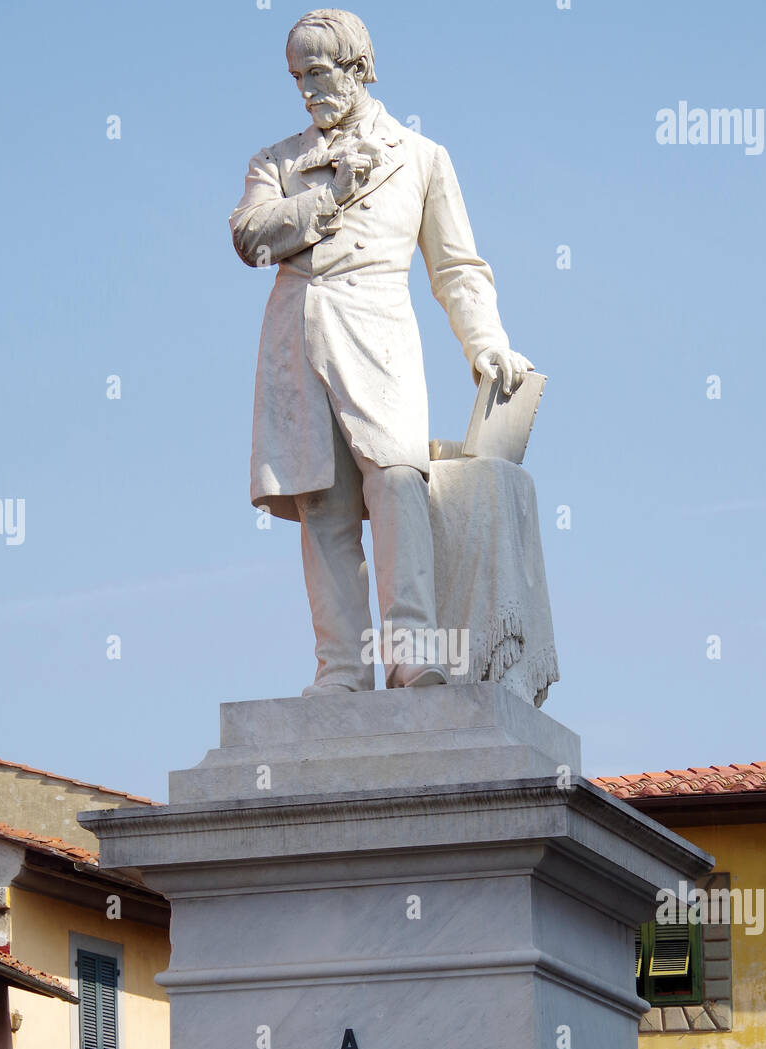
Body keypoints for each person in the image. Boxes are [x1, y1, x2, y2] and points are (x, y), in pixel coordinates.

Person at [230, 8, 532, 695]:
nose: (307, 90)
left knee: (398, 485)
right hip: (297, 341)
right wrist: (327, 196)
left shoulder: (420, 156)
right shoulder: (276, 160)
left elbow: (456, 268)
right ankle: (339, 670)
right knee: (323, 507)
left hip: (381, 334)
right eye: (297, 77)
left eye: (318, 73)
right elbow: (250, 237)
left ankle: (411, 654)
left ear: (359, 69)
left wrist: (485, 341)